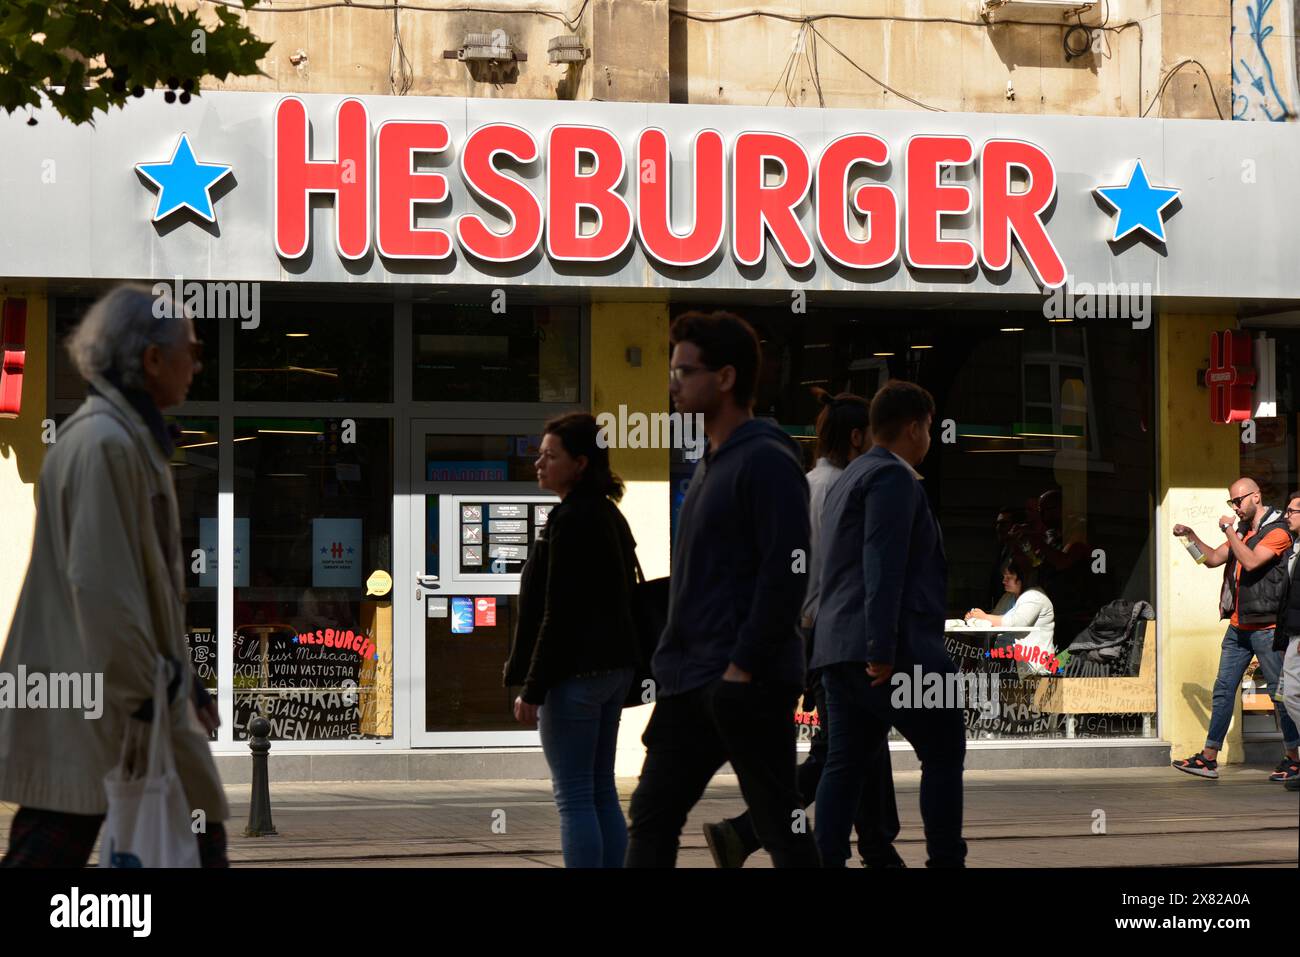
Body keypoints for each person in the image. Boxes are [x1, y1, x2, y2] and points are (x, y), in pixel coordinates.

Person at [0, 283, 229, 867]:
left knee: (182, 837)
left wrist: (182, 684)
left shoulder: (119, 438)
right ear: (152, 359)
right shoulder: (107, 443)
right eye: (192, 350)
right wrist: (157, 696)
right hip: (107, 706)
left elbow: (134, 589)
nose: (197, 364)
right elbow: (103, 589)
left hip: (107, 702)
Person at [624, 311, 819, 868]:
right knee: (653, 814)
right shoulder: (713, 463)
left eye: (686, 371)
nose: (673, 382)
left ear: (727, 378)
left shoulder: (766, 458)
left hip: (742, 682)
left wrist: (743, 669)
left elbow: (786, 571)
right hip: (691, 682)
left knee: (780, 823)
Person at [703, 389, 905, 868]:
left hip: (811, 632)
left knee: (858, 743)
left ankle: (877, 842)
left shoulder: (808, 482)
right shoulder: (849, 488)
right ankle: (748, 831)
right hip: (835, 633)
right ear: (857, 437)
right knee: (838, 752)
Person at [813, 379, 967, 868]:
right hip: (893, 650)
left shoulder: (847, 478)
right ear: (915, 427)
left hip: (838, 648)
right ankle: (946, 861)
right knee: (944, 751)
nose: (930, 437)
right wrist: (881, 648)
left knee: (845, 764)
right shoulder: (892, 479)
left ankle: (827, 860)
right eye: (929, 426)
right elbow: (883, 564)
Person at [503, 412, 638, 867]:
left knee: (574, 796)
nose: (539, 463)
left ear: (580, 463)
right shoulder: (606, 513)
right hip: (614, 671)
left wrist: (533, 687)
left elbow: (557, 613)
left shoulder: (571, 520)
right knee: (599, 787)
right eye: (539, 454)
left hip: (575, 677)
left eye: (550, 455)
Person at [1170, 477, 1299, 782]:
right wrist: (1189, 538)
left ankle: (1293, 757)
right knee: (1224, 690)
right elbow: (1211, 558)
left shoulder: (1278, 530)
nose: (1235, 508)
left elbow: (1252, 561)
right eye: (1231, 502)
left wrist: (1229, 529)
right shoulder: (1244, 531)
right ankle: (1209, 757)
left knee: (1279, 695)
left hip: (1267, 627)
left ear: (1256, 497)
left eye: (1238, 501)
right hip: (1238, 627)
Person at [966, 563, 1057, 675]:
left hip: (1034, 665)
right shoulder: (1009, 597)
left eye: (1009, 577)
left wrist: (985, 617)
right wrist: (974, 618)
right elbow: (993, 620)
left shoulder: (1034, 596)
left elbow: (1015, 623)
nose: (1004, 581)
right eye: (1004, 577)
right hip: (1009, 659)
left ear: (1023, 578)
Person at [1272, 492, 1300, 792]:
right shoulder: (1295, 548)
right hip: (1293, 632)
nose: (1287, 516)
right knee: (1291, 695)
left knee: (1292, 695)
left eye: (1292, 511)